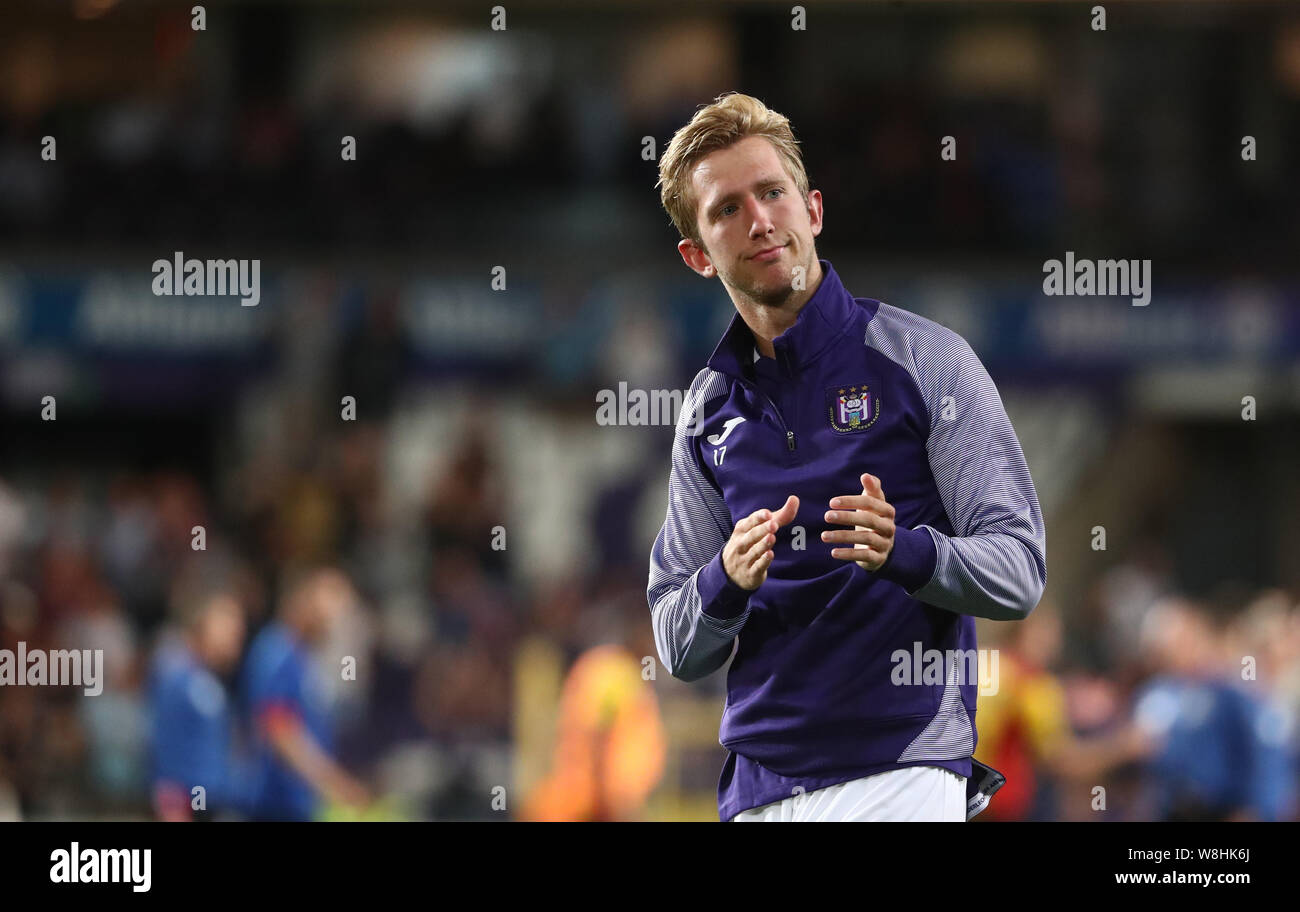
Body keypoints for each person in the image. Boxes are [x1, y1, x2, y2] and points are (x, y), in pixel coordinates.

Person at [647, 92, 1046, 822]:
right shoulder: (706, 412)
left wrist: (909, 553)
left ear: (814, 210)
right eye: (727, 208)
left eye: (772, 193)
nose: (760, 220)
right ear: (698, 254)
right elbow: (676, 643)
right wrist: (726, 581)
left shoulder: (927, 361)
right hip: (756, 794)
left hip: (901, 773)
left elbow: (1019, 572)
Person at [242, 566, 370, 820]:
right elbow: (278, 729)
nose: (337, 616)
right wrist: (335, 783)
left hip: (299, 806)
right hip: (271, 805)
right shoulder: (276, 650)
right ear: (305, 598)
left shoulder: (305, 657)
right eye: (333, 602)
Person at [148, 585, 254, 820]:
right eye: (226, 624)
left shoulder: (213, 681)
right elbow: (163, 753)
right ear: (200, 625)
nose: (237, 633)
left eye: (238, 627)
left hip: (218, 805)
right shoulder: (177, 677)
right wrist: (173, 809)